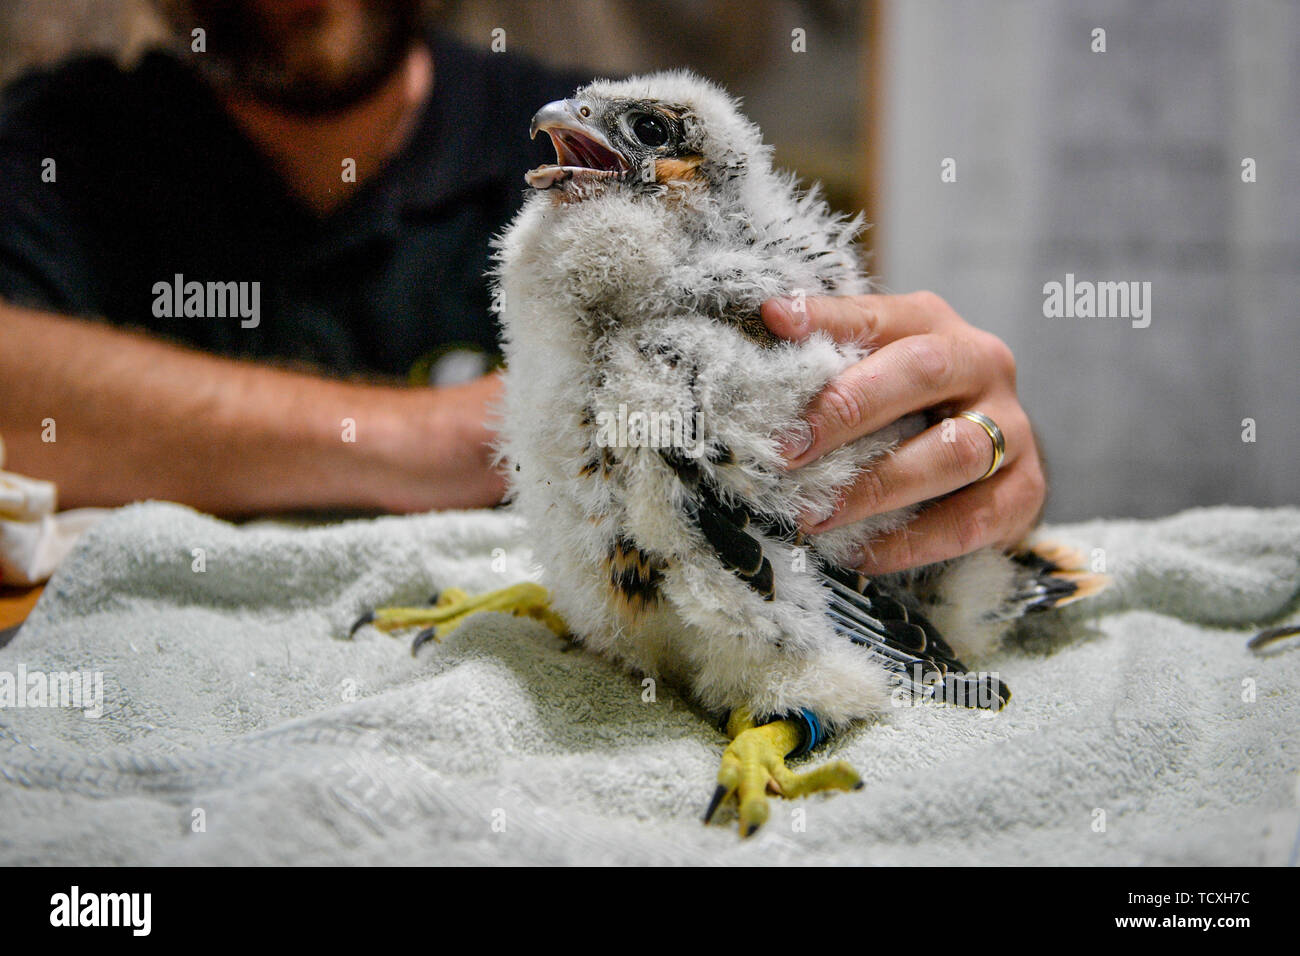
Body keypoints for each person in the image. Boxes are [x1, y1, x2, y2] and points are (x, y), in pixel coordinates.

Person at [0, 0, 1044, 574]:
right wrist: (493, 433)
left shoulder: (587, 147)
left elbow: (800, 399)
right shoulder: (58, 147)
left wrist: (934, 437)